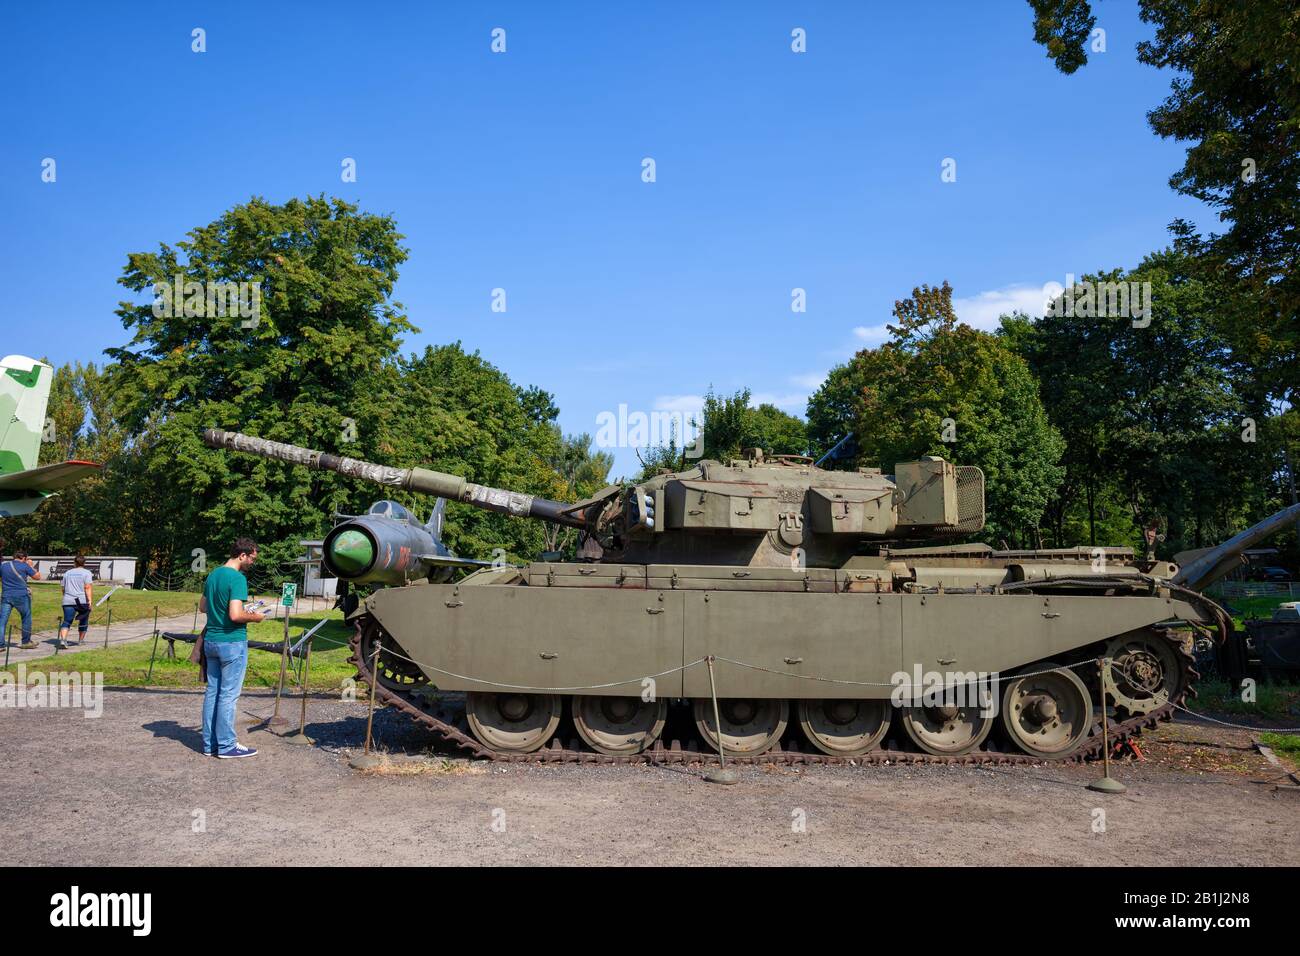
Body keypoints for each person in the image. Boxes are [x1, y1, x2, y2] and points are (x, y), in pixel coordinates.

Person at [199, 538, 266, 759]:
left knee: (213, 692)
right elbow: (236, 615)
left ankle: (210, 745)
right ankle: (227, 745)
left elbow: (202, 606)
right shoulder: (237, 578)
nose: (252, 563)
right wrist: (255, 617)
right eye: (252, 558)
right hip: (232, 642)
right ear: (243, 555)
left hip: (211, 640)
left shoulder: (213, 575)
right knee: (228, 695)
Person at [0, 550, 42, 649]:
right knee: (26, 617)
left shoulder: (3, 566)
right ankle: (25, 641)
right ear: (24, 558)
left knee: (2, 620)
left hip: (6, 595)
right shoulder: (25, 566)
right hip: (21, 596)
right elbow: (38, 577)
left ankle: (1, 644)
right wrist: (31, 565)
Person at [58, 554, 95, 648]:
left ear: (74, 562)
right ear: (84, 563)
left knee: (67, 621)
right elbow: (88, 587)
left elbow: (63, 588)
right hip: (82, 601)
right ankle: (81, 640)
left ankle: (63, 640)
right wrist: (90, 600)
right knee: (84, 620)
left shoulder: (67, 573)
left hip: (68, 600)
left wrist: (66, 596)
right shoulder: (87, 573)